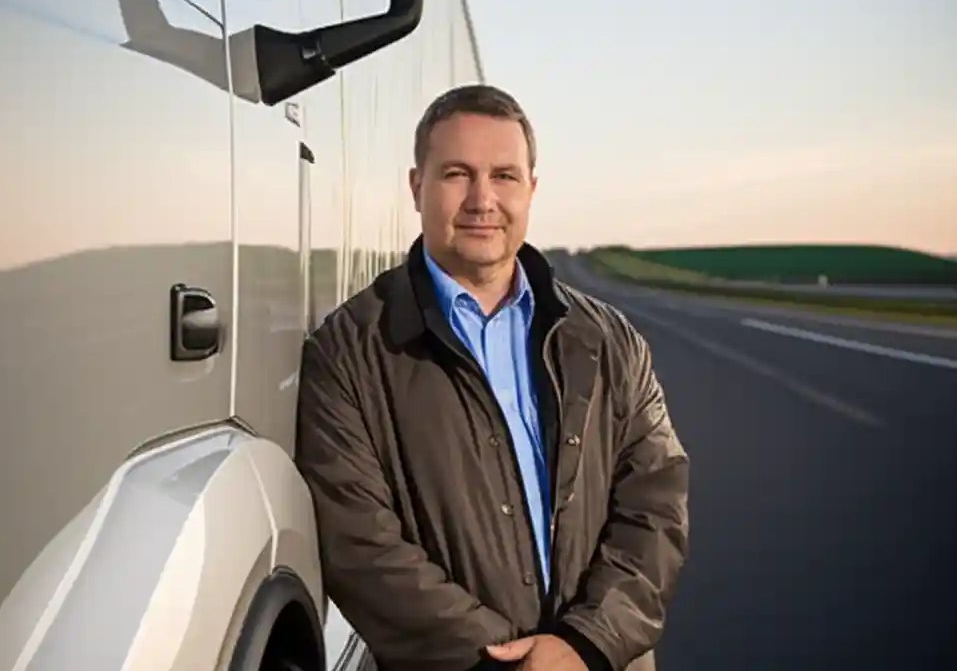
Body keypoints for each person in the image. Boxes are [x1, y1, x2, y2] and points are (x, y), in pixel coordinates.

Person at [294, 84, 689, 671]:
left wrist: (586, 643)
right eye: (457, 174)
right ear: (416, 187)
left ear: (531, 189)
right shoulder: (349, 350)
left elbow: (656, 503)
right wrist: (510, 662)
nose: (483, 200)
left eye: (504, 176)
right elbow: (359, 544)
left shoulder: (608, 340)